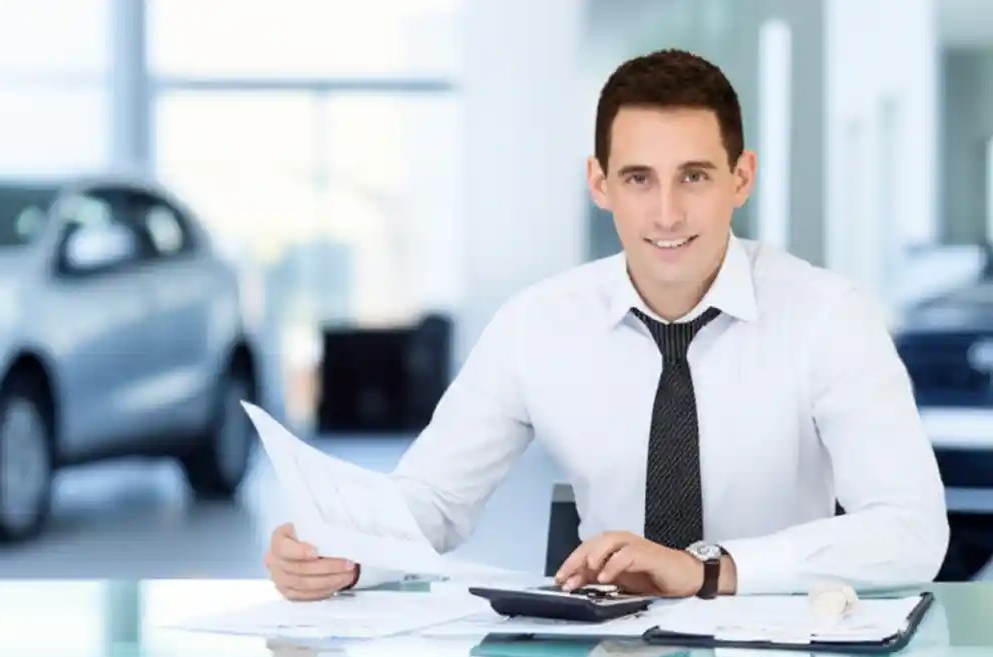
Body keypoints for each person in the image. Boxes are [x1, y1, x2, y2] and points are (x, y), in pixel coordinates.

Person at [263, 48, 949, 601]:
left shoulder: (830, 317)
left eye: (696, 177)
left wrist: (710, 568)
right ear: (600, 183)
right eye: (639, 179)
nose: (667, 214)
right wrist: (343, 552)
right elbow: (434, 499)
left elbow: (911, 530)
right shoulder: (537, 325)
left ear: (742, 178)